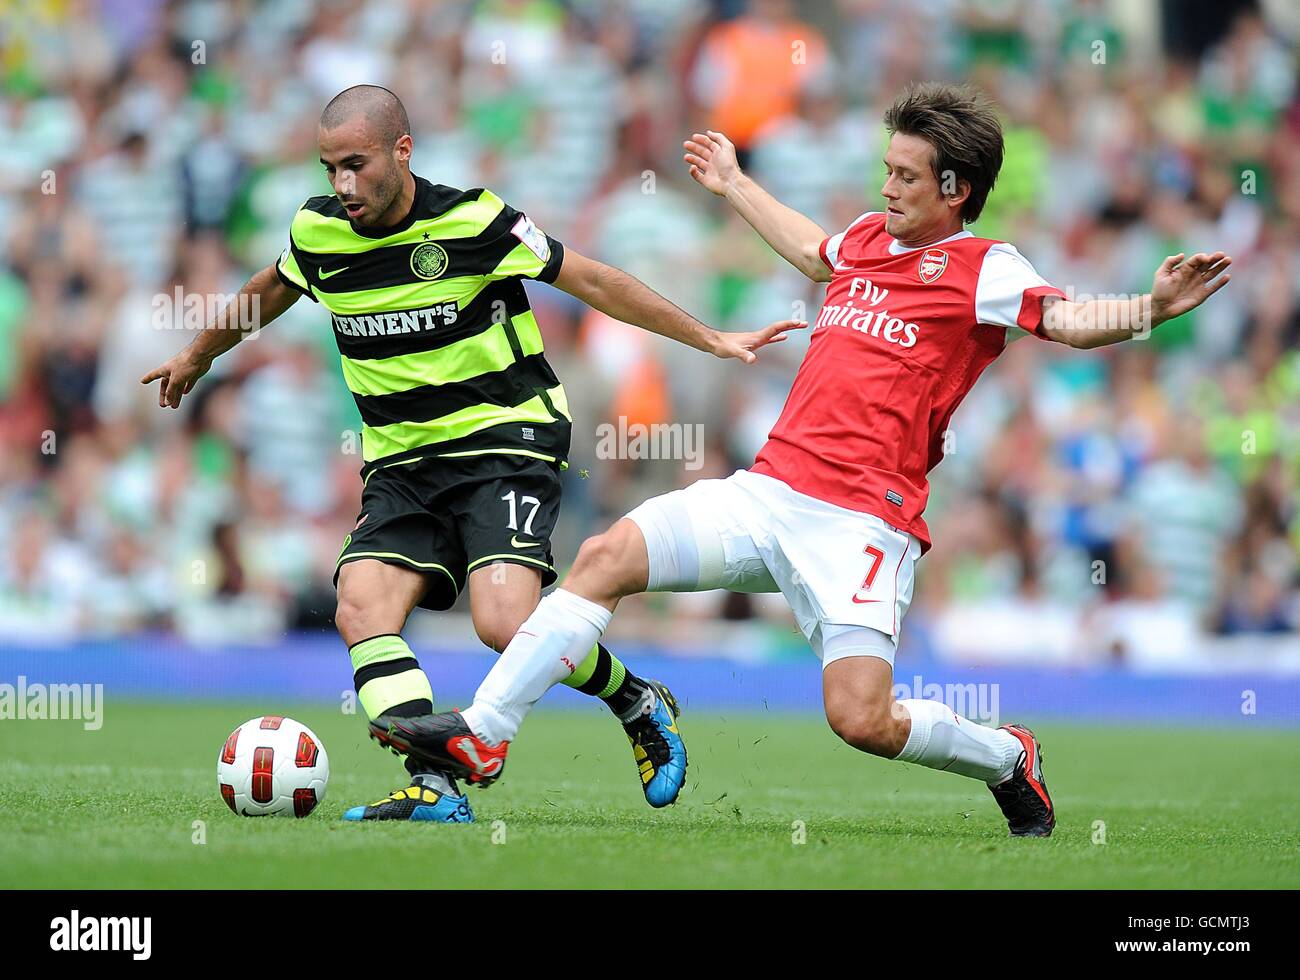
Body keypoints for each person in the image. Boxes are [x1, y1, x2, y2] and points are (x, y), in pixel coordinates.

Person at [403, 82, 1233, 837]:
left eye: (907, 175)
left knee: (861, 721)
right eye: (887, 169)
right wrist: (732, 183)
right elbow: (812, 250)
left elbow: (1070, 318)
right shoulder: (870, 239)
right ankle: (484, 735)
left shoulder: (985, 268)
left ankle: (1007, 757)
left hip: (862, 525)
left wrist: (1150, 310)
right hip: (768, 494)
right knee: (603, 555)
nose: (887, 187)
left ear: (956, 190)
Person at [140, 85, 801, 824]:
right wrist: (198, 353)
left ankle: (637, 699)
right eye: (329, 169)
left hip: (504, 442)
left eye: (356, 165)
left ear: (402, 151)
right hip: (400, 464)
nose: (343, 185)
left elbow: (593, 280)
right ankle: (436, 786)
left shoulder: (473, 219)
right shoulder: (319, 233)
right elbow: (272, 288)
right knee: (361, 607)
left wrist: (709, 337)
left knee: (502, 624)